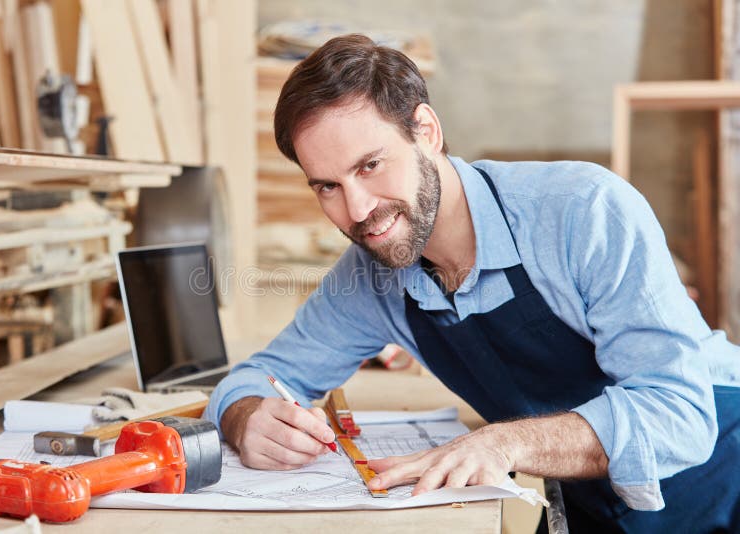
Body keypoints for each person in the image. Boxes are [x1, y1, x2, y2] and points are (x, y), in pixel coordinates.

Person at [207, 34, 740, 532]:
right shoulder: (370, 275)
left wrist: (505, 443)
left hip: (724, 468)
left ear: (426, 132)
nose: (358, 210)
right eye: (328, 186)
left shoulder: (585, 211)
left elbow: (679, 414)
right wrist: (247, 418)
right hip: (594, 501)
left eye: (370, 165)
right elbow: (258, 378)